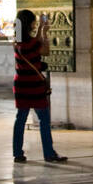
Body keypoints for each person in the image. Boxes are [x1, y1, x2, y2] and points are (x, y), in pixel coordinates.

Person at [12, 9, 66, 163]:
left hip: (21, 85)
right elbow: (46, 51)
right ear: (30, 24)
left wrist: (41, 29)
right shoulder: (33, 44)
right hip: (34, 86)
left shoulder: (17, 42)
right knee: (43, 120)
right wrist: (44, 32)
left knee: (20, 119)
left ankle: (17, 153)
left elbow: (32, 44)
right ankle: (48, 153)